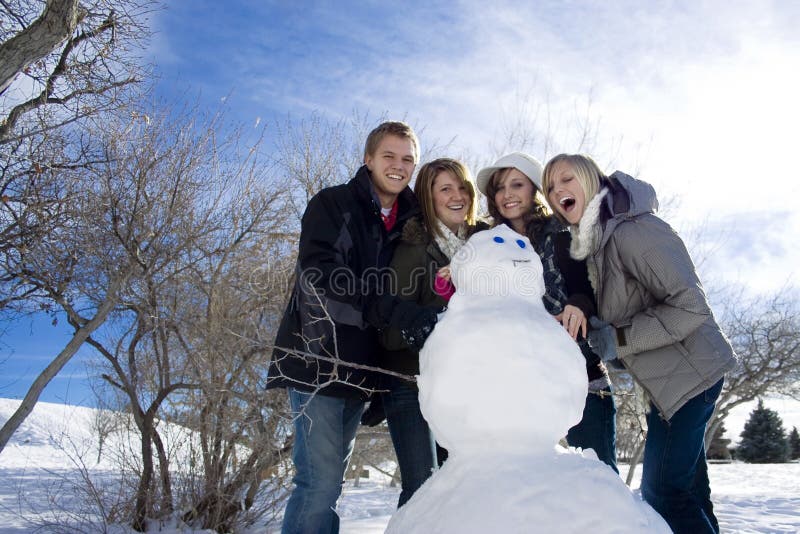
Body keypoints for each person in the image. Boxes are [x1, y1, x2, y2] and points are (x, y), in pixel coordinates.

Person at [541, 153, 737, 534]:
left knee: (663, 491)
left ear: (592, 180)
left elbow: (691, 308)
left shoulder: (633, 230)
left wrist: (616, 338)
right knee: (690, 491)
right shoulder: (596, 244)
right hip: (669, 383)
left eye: (566, 179)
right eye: (550, 186)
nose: (557, 191)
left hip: (691, 378)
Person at [267, 121, 441, 534]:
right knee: (318, 486)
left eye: (407, 159)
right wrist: (393, 310)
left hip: (360, 373)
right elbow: (322, 273)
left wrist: (381, 379)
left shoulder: (411, 223)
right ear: (368, 159)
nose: (398, 166)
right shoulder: (334, 204)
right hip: (317, 359)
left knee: (332, 486)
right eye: (389, 156)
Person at [476, 152, 618, 471]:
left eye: (517, 184)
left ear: (534, 191)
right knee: (532, 485)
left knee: (599, 478)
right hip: (524, 384)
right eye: (500, 188)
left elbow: (588, 284)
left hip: (581, 374)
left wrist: (578, 305)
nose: (508, 194)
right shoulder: (488, 246)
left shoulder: (560, 232)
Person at [379, 158, 484, 507]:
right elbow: (389, 331)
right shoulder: (413, 248)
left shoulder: (484, 247)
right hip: (411, 383)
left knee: (461, 490)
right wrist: (438, 321)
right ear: (428, 198)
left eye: (462, 187)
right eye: (445, 189)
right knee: (424, 490)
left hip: (461, 388)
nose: (457, 196)